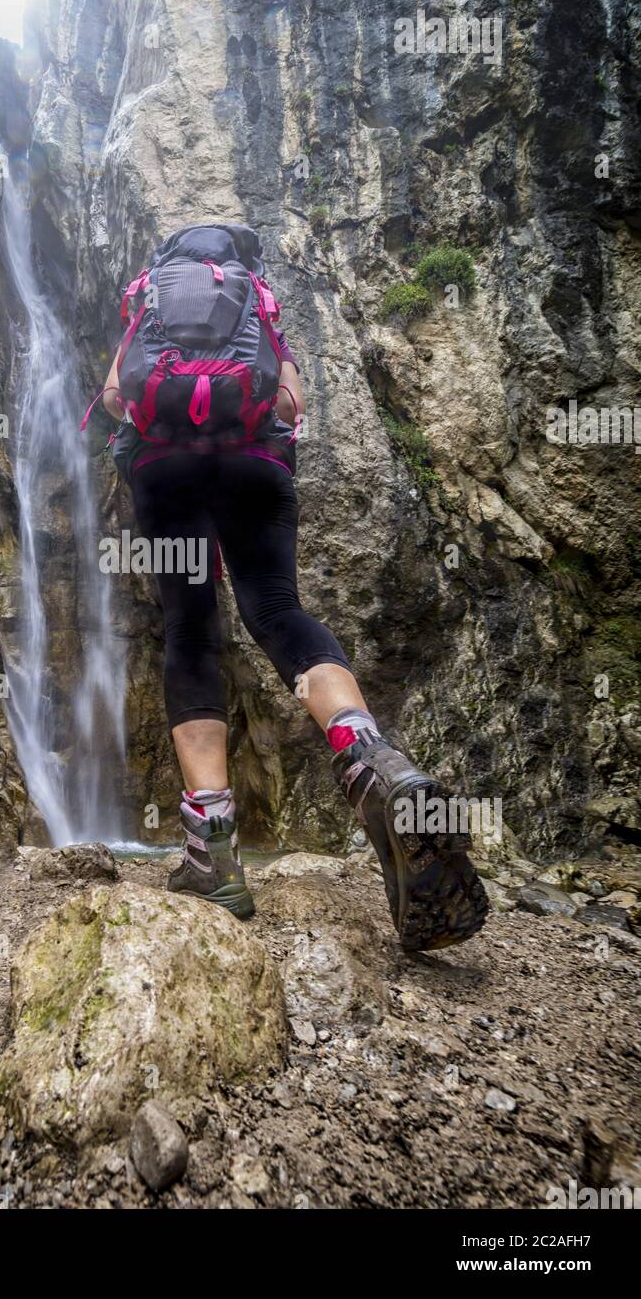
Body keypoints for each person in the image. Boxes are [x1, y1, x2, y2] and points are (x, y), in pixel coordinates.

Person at [95, 225, 487, 952]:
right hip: (255, 471)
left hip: (165, 476)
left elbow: (119, 395)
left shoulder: (147, 302)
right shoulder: (257, 306)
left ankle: (209, 850)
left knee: (189, 631)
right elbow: (287, 404)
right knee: (276, 610)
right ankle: (370, 759)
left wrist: (163, 436)